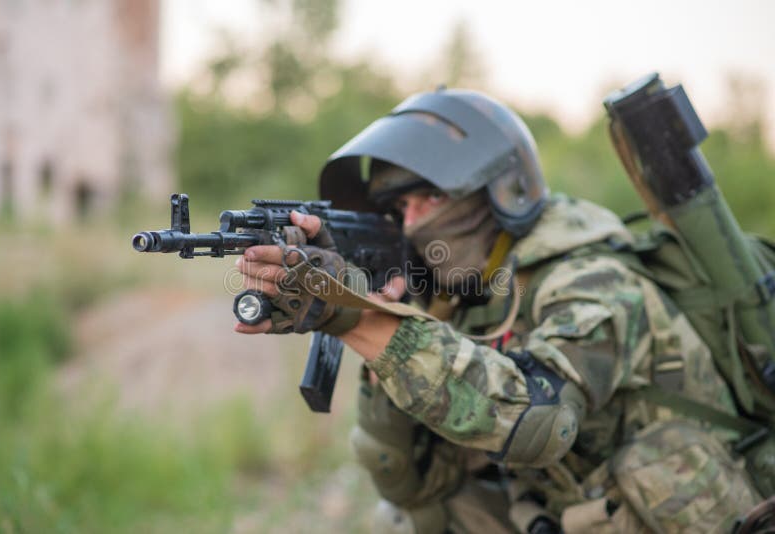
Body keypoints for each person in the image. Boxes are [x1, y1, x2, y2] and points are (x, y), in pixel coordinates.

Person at [233, 88, 763, 533]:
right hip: (584, 507)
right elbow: (414, 484)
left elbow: (541, 424)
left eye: (429, 199)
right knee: (409, 518)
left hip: (690, 508)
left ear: (501, 191)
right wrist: (378, 336)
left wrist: (359, 316)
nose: (411, 224)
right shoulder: (470, 297)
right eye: (399, 209)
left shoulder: (594, 277)